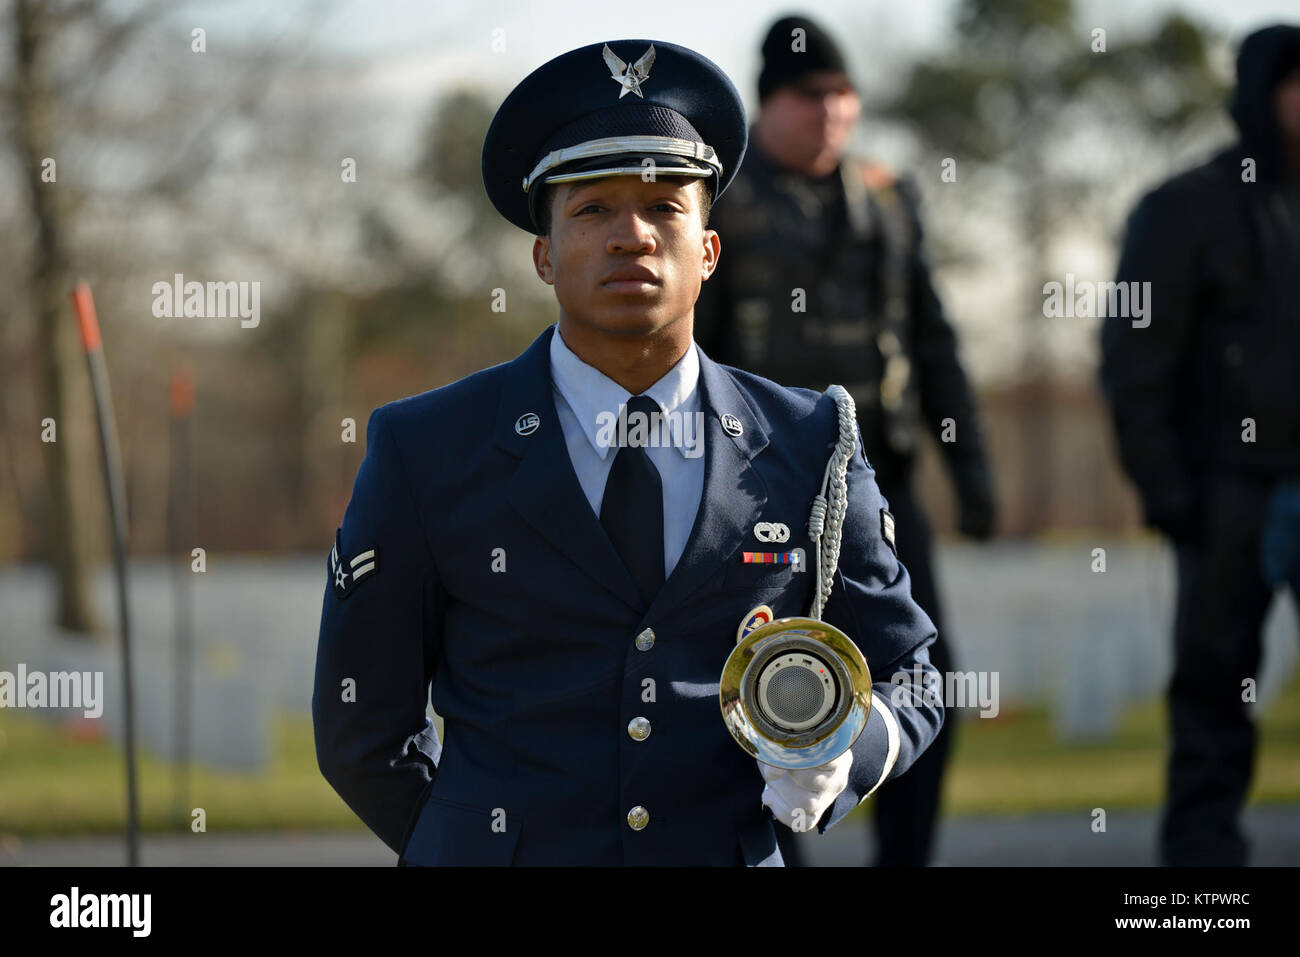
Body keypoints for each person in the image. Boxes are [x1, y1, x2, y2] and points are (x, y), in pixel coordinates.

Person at [311, 38, 943, 866]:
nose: (631, 236)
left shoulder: (810, 442)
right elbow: (362, 728)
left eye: (665, 207)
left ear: (709, 251)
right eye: (591, 209)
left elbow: (913, 673)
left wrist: (846, 754)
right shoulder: (427, 448)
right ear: (544, 255)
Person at [694, 15, 995, 868]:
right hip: (757, 487)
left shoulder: (889, 196)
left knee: (921, 679)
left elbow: (934, 341)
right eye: (805, 96)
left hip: (884, 483)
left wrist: (970, 469)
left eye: (840, 94)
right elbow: (695, 350)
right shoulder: (721, 201)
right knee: (765, 692)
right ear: (766, 105)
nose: (828, 112)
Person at [1100, 24, 1300, 867]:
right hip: (1228, 495)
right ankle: (1202, 886)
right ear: (1266, 91)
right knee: (1214, 700)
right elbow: (1134, 359)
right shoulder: (1186, 206)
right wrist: (1169, 491)